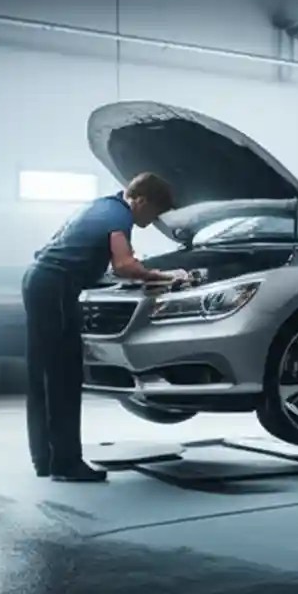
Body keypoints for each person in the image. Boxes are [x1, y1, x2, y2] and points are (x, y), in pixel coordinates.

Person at [22, 172, 184, 482]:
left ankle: (45, 460)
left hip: (40, 281)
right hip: (55, 288)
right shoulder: (119, 216)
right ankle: (67, 464)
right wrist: (162, 276)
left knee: (42, 375)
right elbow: (123, 265)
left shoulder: (99, 207)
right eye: (155, 212)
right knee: (64, 376)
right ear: (141, 200)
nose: (154, 220)